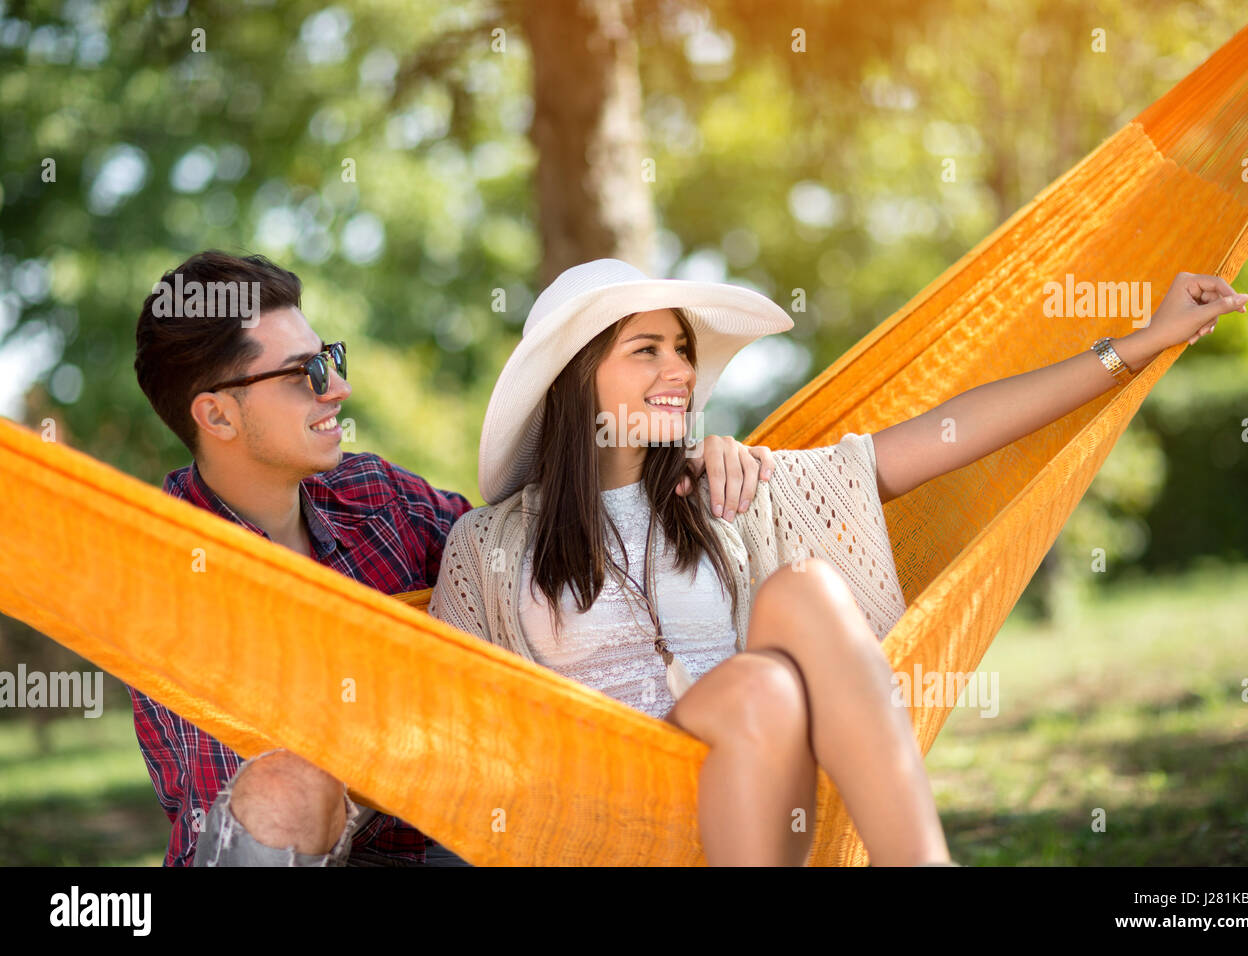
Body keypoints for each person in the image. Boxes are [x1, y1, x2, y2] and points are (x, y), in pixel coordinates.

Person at [431, 258, 1247, 866]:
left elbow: (945, 434)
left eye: (682, 349)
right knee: (760, 683)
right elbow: (437, 723)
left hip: (759, 778)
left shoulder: (729, 487)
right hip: (603, 814)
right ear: (578, 380)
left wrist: (1137, 344)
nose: (679, 368)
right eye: (646, 350)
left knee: (801, 598)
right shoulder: (489, 548)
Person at [130, 250, 769, 866]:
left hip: (462, 837)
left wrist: (673, 469)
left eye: (330, 359)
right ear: (217, 415)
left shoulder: (377, 498)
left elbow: (530, 539)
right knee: (286, 790)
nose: (339, 389)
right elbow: (250, 814)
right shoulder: (171, 584)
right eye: (307, 374)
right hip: (314, 852)